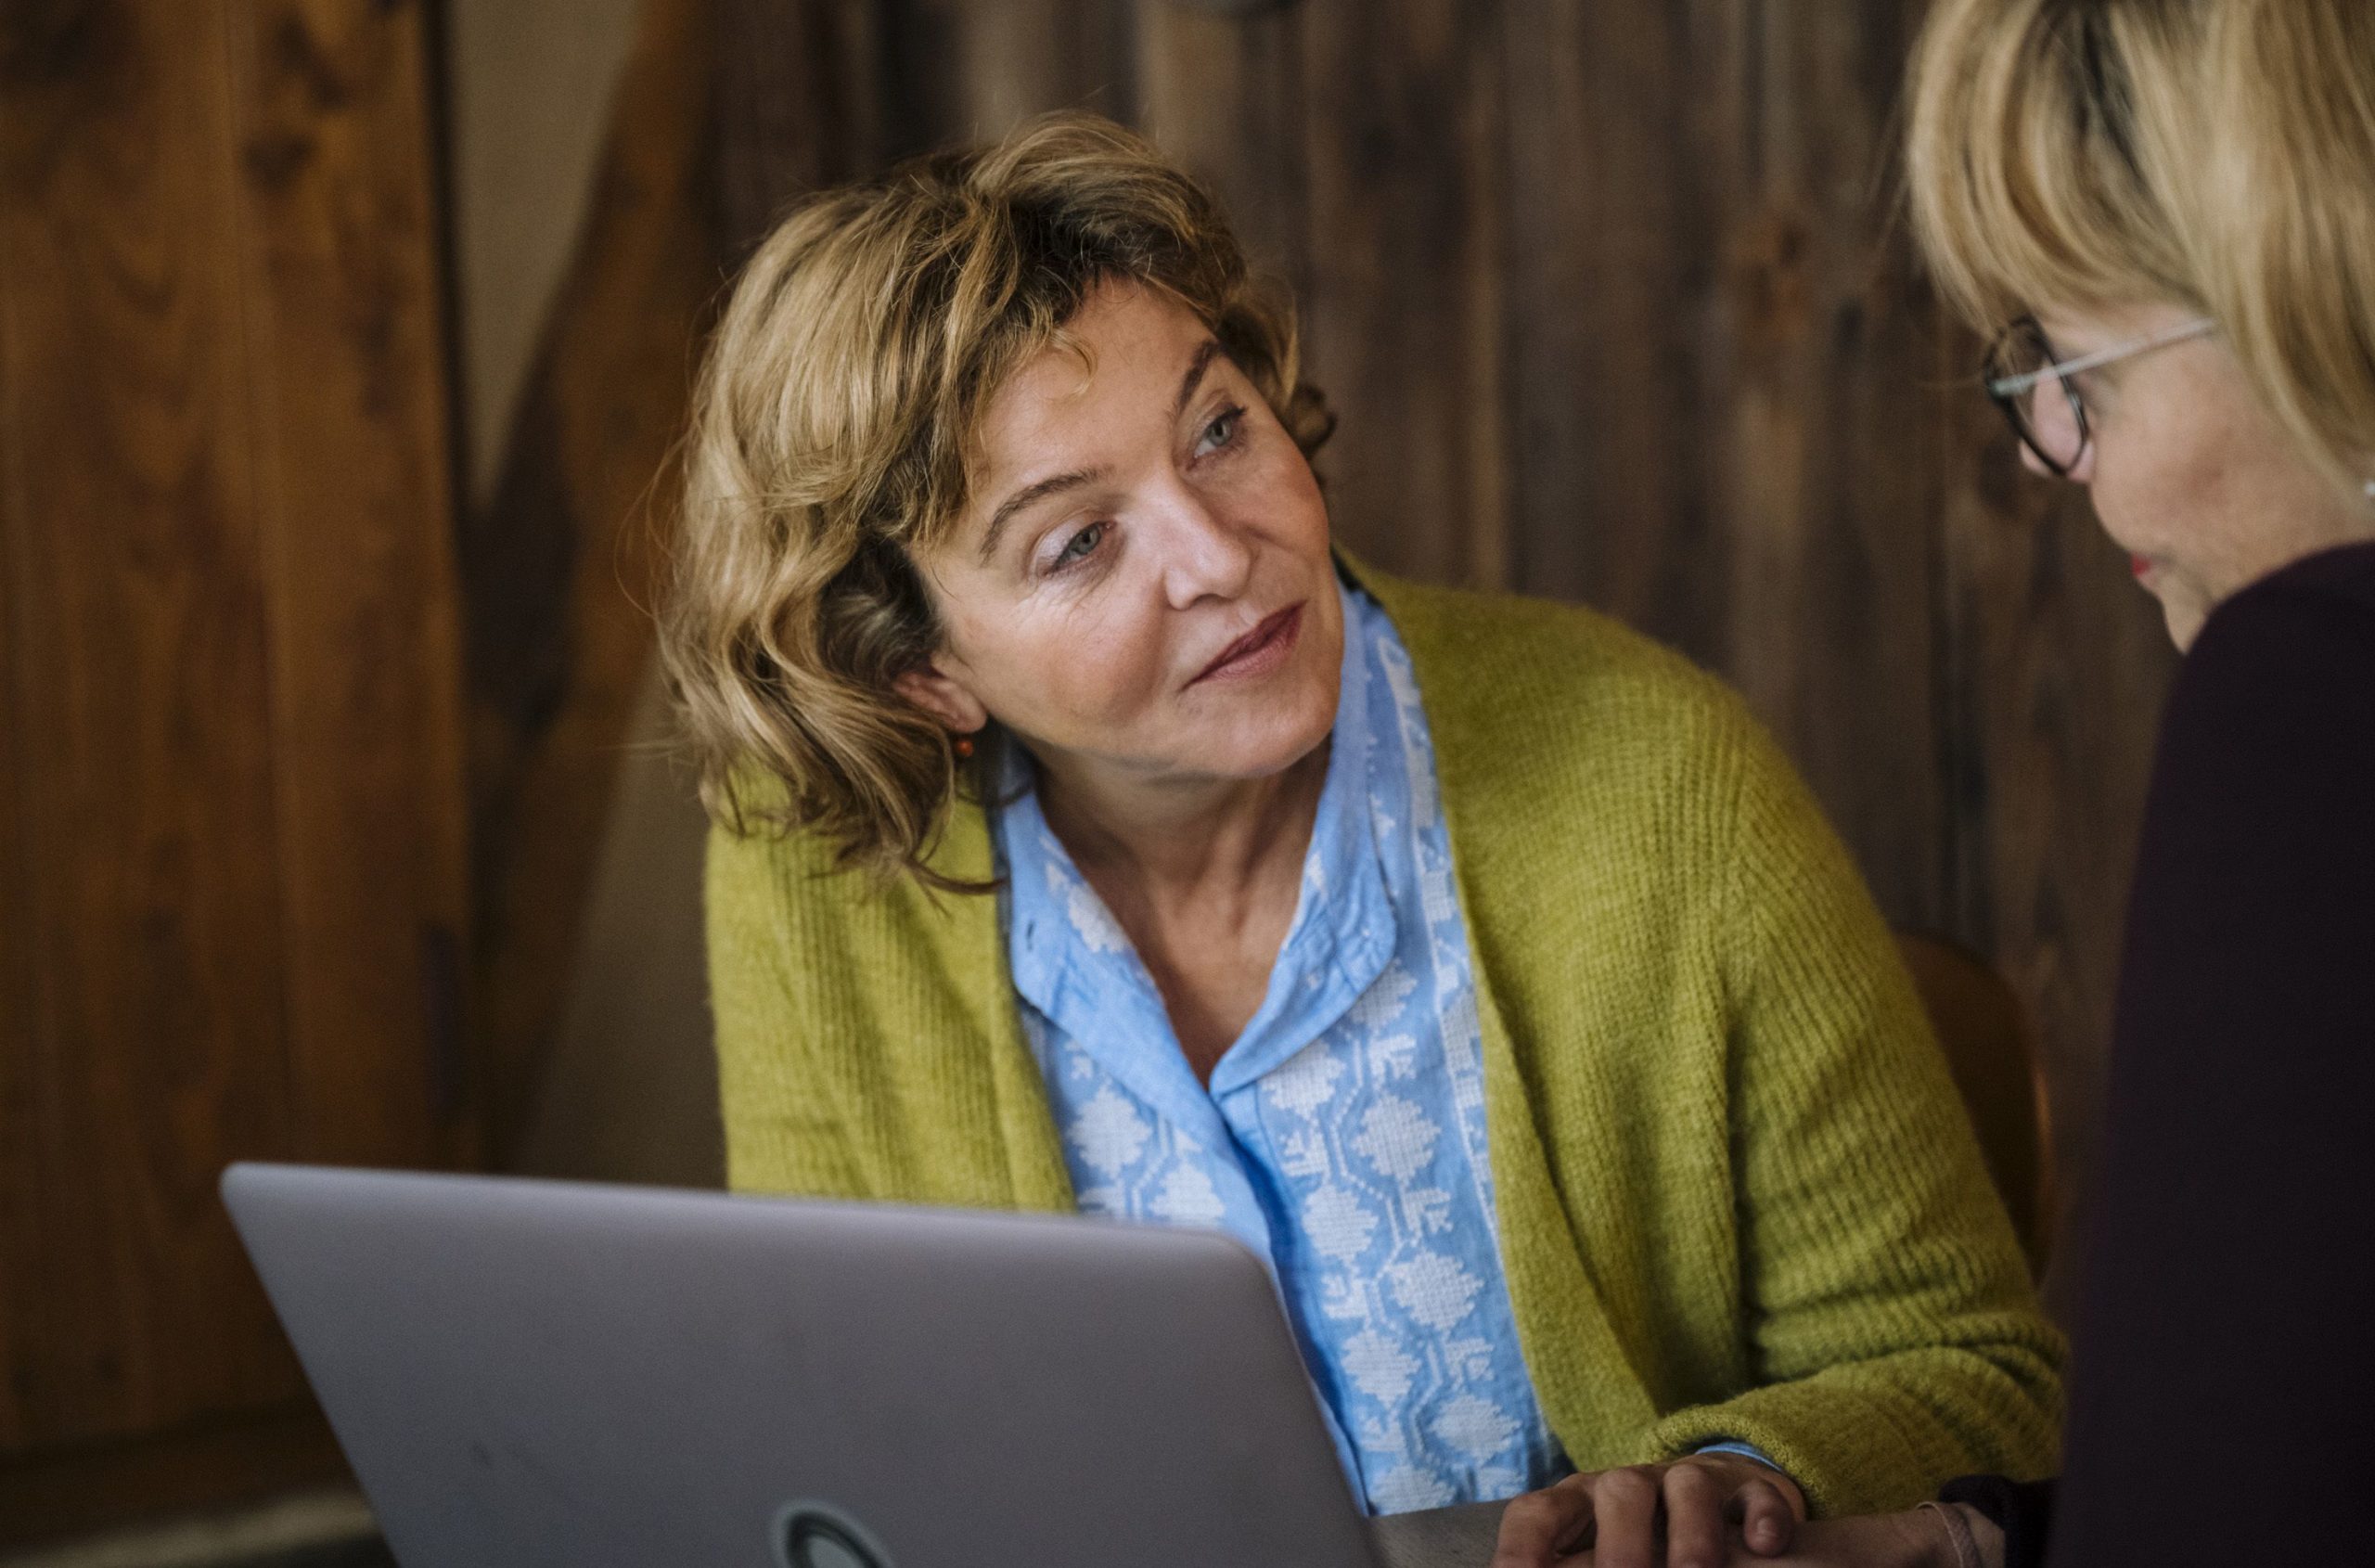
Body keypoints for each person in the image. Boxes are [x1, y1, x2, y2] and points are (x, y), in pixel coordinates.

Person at [661, 112, 2061, 1558]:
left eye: (1218, 429)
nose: (1222, 557)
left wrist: (1741, 1473)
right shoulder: (816, 871)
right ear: (926, 673)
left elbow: (1989, 1383)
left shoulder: (1654, 776)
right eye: (1079, 542)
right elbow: (831, 1434)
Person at [1488, 0, 2375, 1562]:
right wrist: (1949, 1547)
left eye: (2078, 364)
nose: (2050, 450)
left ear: (2299, 277)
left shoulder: (2311, 684)